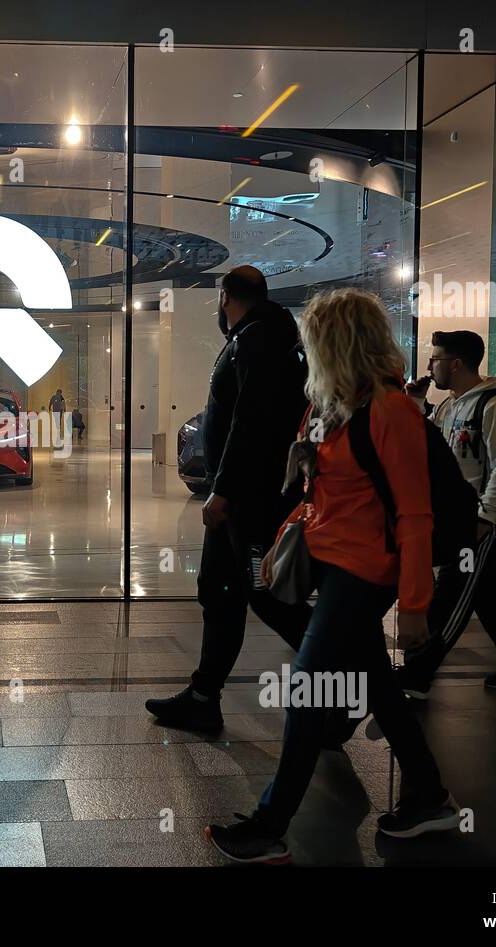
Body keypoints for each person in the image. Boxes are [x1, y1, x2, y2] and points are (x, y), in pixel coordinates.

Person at [207, 289, 458, 863]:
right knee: (377, 686)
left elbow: (415, 514)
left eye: (313, 338)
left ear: (336, 342)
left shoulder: (393, 411)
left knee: (306, 688)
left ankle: (270, 827)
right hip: (334, 562)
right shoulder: (332, 405)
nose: (305, 349)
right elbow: (322, 492)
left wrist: (415, 605)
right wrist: (286, 538)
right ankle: (431, 797)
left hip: (366, 573)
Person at [145, 266, 314, 734]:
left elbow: (250, 421)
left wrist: (224, 489)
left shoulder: (258, 339)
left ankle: (350, 679)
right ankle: (203, 695)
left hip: (250, 500)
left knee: (269, 596)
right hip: (241, 498)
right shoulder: (263, 335)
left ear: (225, 297)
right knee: (219, 592)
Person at [400, 331, 496, 697]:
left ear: (456, 363)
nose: (430, 366)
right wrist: (417, 403)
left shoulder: (495, 406)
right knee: (486, 593)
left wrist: (485, 519)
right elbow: (430, 449)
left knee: (454, 590)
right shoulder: (451, 406)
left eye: (435, 359)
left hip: (487, 522)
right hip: (465, 519)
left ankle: (419, 672)